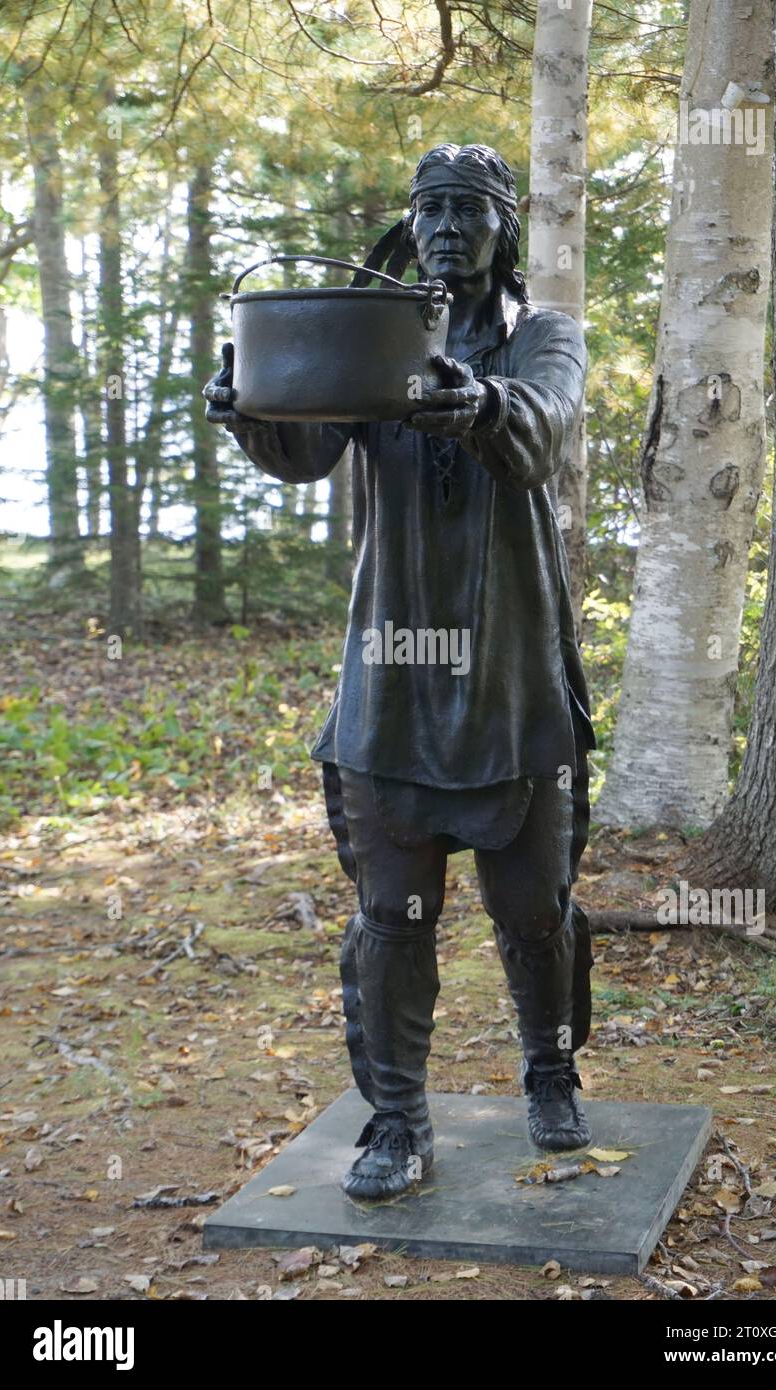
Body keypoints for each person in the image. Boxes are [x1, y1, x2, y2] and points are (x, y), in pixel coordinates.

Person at [204, 143, 596, 1200]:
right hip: (391, 668)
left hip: (509, 668)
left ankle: (550, 1069)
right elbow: (307, 445)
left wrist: (478, 406)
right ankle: (396, 1120)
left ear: (502, 228)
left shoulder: (541, 336)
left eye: (467, 210)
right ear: (409, 225)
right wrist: (248, 403)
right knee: (389, 915)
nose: (444, 228)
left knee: (533, 908)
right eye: (429, 210)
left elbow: (542, 426)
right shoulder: (377, 329)